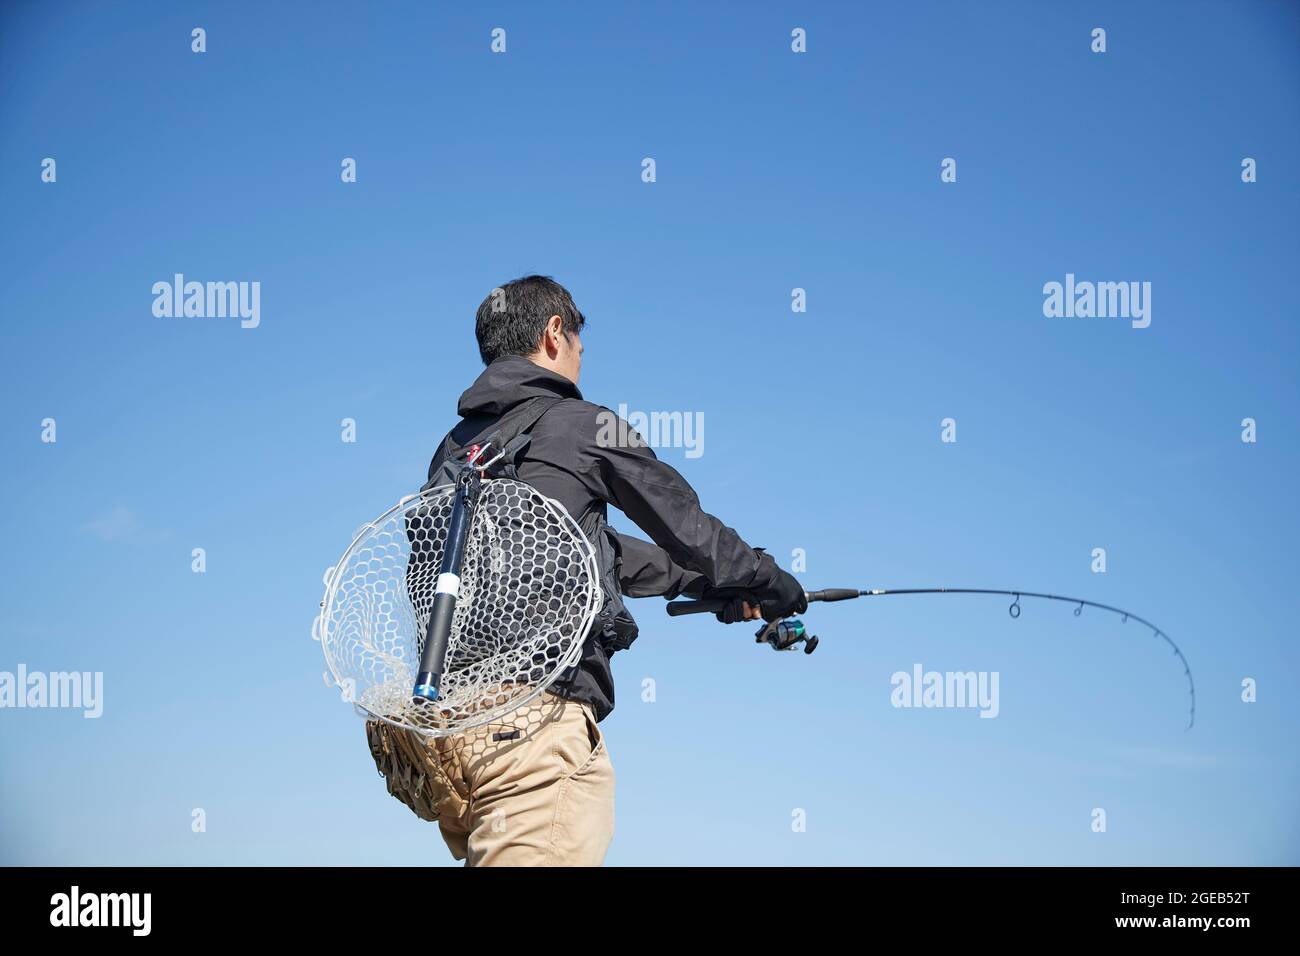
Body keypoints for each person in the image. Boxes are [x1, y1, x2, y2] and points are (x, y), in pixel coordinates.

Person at [366, 274, 806, 866]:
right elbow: (684, 522)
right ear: (555, 335)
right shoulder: (586, 424)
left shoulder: (454, 449)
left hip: (452, 738)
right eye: (578, 344)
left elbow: (587, 553)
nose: (579, 359)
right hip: (534, 727)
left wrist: (712, 587)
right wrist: (767, 579)